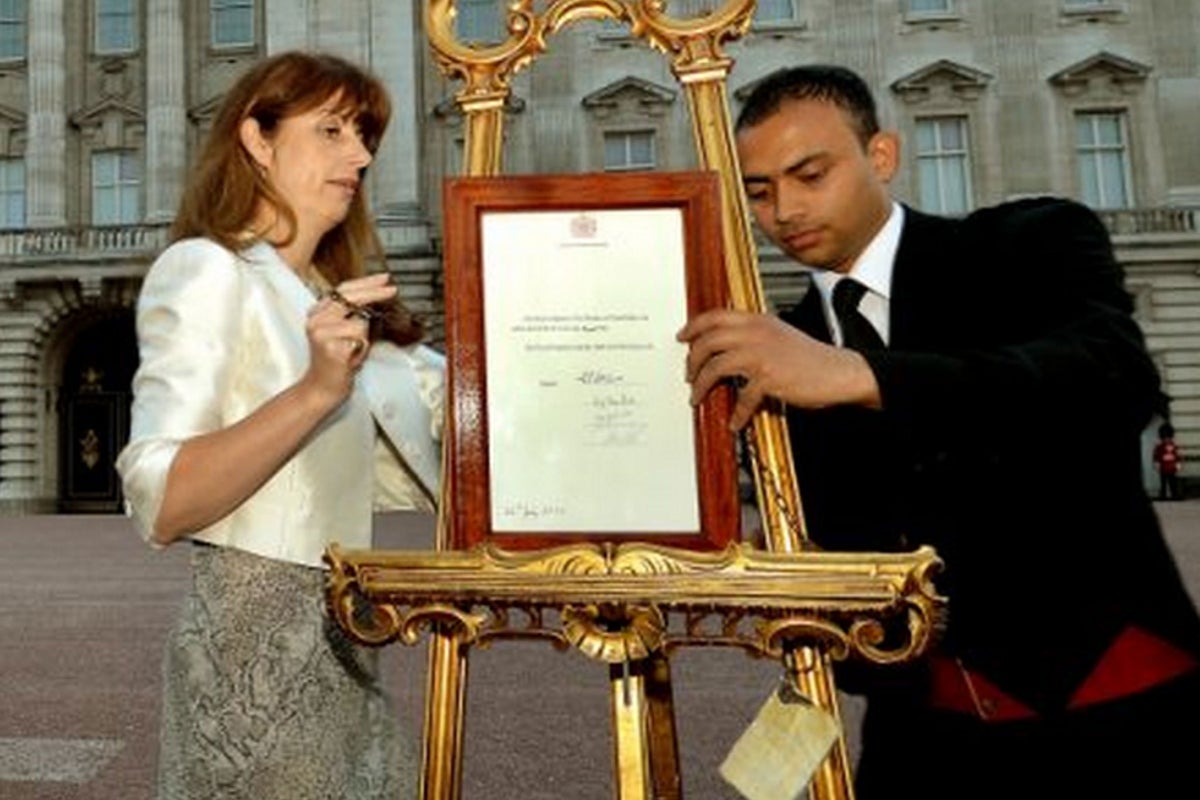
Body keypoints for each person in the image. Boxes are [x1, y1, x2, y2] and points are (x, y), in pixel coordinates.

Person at [678, 65, 1200, 799]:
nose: (784, 210)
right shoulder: (769, 353)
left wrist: (860, 375)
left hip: (1124, 723)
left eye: (809, 174)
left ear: (881, 156)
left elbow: (1113, 381)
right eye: (759, 191)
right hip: (926, 745)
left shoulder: (1032, 241)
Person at [116, 51, 443, 799]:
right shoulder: (207, 269)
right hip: (252, 658)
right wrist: (317, 389)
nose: (359, 155)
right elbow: (160, 499)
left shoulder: (338, 299)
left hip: (351, 642)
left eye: (364, 137)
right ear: (257, 140)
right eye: (330, 131)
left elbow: (464, 426)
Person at [1154, 422, 1183, 500]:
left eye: (1168, 437)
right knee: (1163, 483)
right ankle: (1163, 495)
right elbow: (1157, 456)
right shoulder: (1159, 447)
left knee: (1173, 483)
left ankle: (1174, 495)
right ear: (1162, 438)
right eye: (1165, 438)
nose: (1166, 439)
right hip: (1163, 467)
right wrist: (1157, 463)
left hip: (1172, 467)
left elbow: (1177, 456)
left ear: (1171, 437)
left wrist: (1178, 464)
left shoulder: (1174, 446)